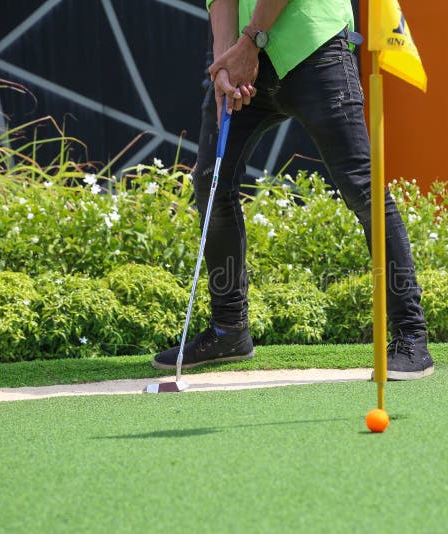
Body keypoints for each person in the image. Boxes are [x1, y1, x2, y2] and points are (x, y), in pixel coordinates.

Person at [152, 0, 433, 380]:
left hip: (314, 47)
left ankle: (410, 335)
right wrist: (224, 62)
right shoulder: (238, 54)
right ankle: (228, 331)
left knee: (360, 187)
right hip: (243, 60)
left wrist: (250, 40)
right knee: (211, 182)